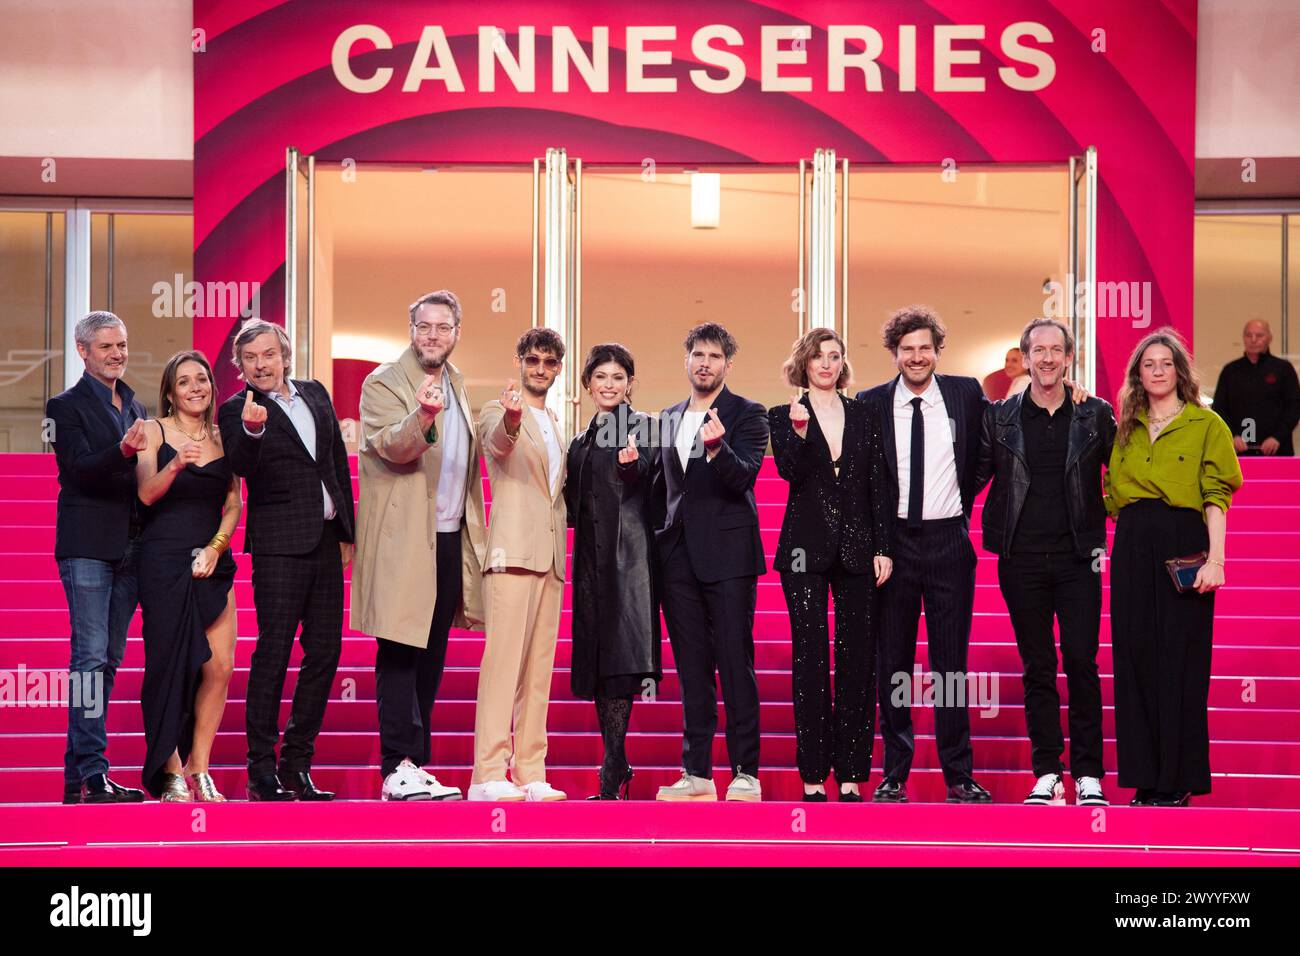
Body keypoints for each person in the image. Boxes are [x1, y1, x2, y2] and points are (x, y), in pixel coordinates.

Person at [856, 306, 1090, 804]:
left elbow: (998, 446)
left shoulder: (966, 394)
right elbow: (864, 480)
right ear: (894, 353)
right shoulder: (871, 403)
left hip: (949, 543)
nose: (917, 356)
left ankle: (958, 774)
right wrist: (877, 545)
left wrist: (1074, 396)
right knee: (891, 661)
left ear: (938, 351)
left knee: (951, 668)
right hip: (892, 547)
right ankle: (893, 772)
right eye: (907, 349)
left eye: (925, 347)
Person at [352, 290, 487, 801]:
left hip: (448, 537)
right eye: (425, 327)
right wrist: (422, 418)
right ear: (412, 331)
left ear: (456, 333)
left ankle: (414, 763)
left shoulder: (457, 383)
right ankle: (395, 764)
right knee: (400, 648)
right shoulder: (384, 381)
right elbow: (391, 446)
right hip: (405, 538)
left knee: (432, 652)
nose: (433, 336)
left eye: (443, 327)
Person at [975, 319, 1115, 807]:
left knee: (1081, 663)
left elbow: (1123, 472)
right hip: (1021, 558)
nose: (1048, 358)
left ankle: (1089, 773)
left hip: (1081, 558)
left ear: (1069, 358)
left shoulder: (1094, 414)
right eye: (1040, 351)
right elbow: (972, 478)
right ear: (1026, 357)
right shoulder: (1000, 418)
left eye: (1057, 350)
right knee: (1037, 666)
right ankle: (1048, 771)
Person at [217, 319, 356, 802]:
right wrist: (253, 434)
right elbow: (239, 467)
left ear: (284, 355)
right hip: (278, 546)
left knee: (325, 653)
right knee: (273, 653)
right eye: (251, 358)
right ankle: (261, 770)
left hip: (324, 540)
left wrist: (347, 532)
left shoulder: (316, 393)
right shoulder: (236, 410)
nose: (261, 365)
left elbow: (336, 461)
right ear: (241, 366)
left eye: (268, 355)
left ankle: (298, 764)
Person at [1106, 329, 1242, 807]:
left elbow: (1216, 496)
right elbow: (1112, 496)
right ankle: (1147, 778)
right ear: (1138, 374)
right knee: (1136, 657)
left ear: (1180, 371)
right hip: (1131, 544)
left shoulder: (1209, 425)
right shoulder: (1125, 426)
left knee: (1182, 660)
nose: (1158, 370)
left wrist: (1217, 560)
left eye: (1166, 362)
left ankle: (1178, 777)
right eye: (1149, 364)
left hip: (1184, 542)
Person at [768, 328, 892, 803]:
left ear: (843, 363)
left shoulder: (864, 414)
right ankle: (814, 773)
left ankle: (852, 772)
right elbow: (790, 472)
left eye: (834, 356)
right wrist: (799, 434)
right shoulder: (784, 415)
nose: (826, 364)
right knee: (811, 659)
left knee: (857, 658)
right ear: (804, 363)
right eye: (817, 356)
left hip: (860, 549)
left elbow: (878, 483)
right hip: (804, 550)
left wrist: (884, 546)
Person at [653, 323, 769, 802]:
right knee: (692, 668)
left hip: (729, 557)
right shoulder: (667, 416)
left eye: (714, 356)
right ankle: (696, 773)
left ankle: (745, 772)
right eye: (697, 354)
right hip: (676, 558)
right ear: (686, 361)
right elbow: (661, 488)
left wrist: (719, 449)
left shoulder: (748, 414)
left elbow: (744, 479)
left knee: (734, 665)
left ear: (727, 364)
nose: (705, 362)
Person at [47, 311, 147, 804]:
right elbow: (77, 471)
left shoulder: (134, 405)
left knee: (106, 661)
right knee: (89, 660)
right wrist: (124, 453)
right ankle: (93, 770)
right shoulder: (64, 406)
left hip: (131, 547)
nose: (117, 354)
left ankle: (78, 778)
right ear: (82, 351)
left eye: (122, 345)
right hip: (87, 545)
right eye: (106, 346)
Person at [468, 328, 569, 802]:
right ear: (519, 362)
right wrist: (510, 419)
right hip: (510, 554)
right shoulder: (497, 408)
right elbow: (496, 445)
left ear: (558, 368)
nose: (540, 369)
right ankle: (488, 772)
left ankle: (530, 770)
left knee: (538, 673)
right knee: (503, 667)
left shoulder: (554, 419)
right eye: (532, 360)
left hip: (549, 561)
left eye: (549, 362)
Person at [134, 351, 239, 802]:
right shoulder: (152, 431)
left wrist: (217, 547)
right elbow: (145, 495)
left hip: (212, 558)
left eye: (202, 379)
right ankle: (170, 770)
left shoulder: (224, 435)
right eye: (184, 381)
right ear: (170, 392)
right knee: (169, 665)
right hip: (163, 559)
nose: (195, 387)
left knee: (220, 666)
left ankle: (200, 767)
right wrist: (176, 464)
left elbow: (233, 502)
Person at [564, 343, 662, 800]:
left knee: (623, 665)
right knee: (602, 667)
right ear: (587, 385)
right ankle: (617, 761)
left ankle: (611, 767)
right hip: (589, 563)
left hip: (629, 561)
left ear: (630, 384)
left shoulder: (642, 428)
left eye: (618, 377)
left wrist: (632, 466)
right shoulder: (580, 441)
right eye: (600, 377)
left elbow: (648, 476)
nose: (609, 384)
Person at [1212, 319, 1300, 456]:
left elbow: (1294, 407)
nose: (1253, 340)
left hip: (1277, 450)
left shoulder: (1283, 369)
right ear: (1243, 338)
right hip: (1238, 451)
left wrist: (1277, 437)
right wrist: (1232, 435)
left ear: (1270, 338)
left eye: (1259, 335)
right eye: (1248, 335)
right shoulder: (1230, 371)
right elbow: (1219, 408)